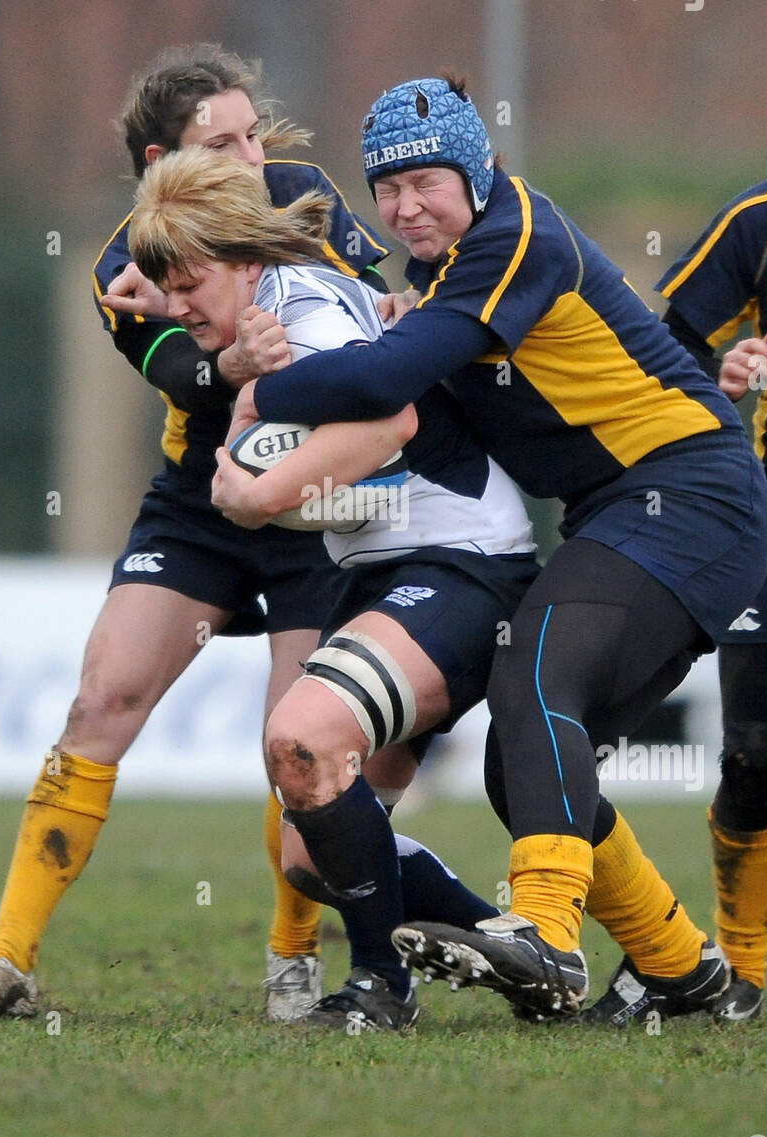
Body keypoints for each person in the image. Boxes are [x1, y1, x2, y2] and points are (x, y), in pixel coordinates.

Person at [242, 75, 767, 1023]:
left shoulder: (514, 232)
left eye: (425, 183)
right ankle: (683, 970)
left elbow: (393, 379)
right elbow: (413, 390)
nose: (405, 208)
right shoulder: (446, 277)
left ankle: (544, 938)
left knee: (535, 672)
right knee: (521, 756)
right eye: (387, 190)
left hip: (692, 490)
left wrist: (257, 389)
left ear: (477, 171)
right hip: (627, 509)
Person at [0, 44, 394, 1024]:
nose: (248, 155)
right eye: (218, 141)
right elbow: (181, 372)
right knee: (101, 698)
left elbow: (377, 315)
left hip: (315, 507)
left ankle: (290, 959)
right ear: (158, 159)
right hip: (202, 503)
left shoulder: (302, 194)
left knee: (299, 749)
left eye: (248, 132)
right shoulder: (125, 257)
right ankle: (6, 958)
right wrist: (230, 360)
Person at [128, 144, 542, 1029]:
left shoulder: (303, 313)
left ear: (247, 261)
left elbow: (393, 418)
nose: (175, 304)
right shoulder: (267, 320)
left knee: (303, 741)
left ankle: (379, 989)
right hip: (387, 573)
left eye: (190, 281)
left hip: (462, 562)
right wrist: (247, 421)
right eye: (165, 285)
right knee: (310, 854)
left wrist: (257, 492)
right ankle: (517, 951)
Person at [655, 168, 767, 1020]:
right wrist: (725, 376)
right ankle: (741, 969)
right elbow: (664, 345)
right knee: (756, 755)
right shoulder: (762, 219)